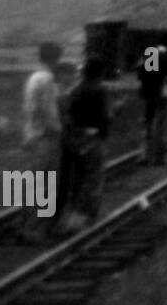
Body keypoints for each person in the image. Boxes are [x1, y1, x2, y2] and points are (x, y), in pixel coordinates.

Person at [60, 57, 112, 231]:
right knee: (93, 180)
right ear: (100, 73)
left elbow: (67, 116)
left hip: (75, 139)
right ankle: (84, 220)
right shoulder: (101, 90)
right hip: (94, 139)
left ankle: (71, 217)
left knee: (78, 179)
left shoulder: (74, 90)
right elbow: (105, 117)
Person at [20, 42, 64, 242]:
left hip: (31, 135)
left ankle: (29, 227)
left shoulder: (33, 78)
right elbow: (49, 112)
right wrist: (61, 131)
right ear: (56, 59)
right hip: (45, 137)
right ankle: (38, 230)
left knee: (33, 185)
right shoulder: (47, 80)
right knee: (46, 185)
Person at [138, 45, 167, 165]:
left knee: (148, 124)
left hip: (148, 93)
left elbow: (141, 75)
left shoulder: (149, 53)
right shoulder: (166, 56)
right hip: (161, 93)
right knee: (160, 125)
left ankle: (145, 156)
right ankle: (159, 158)